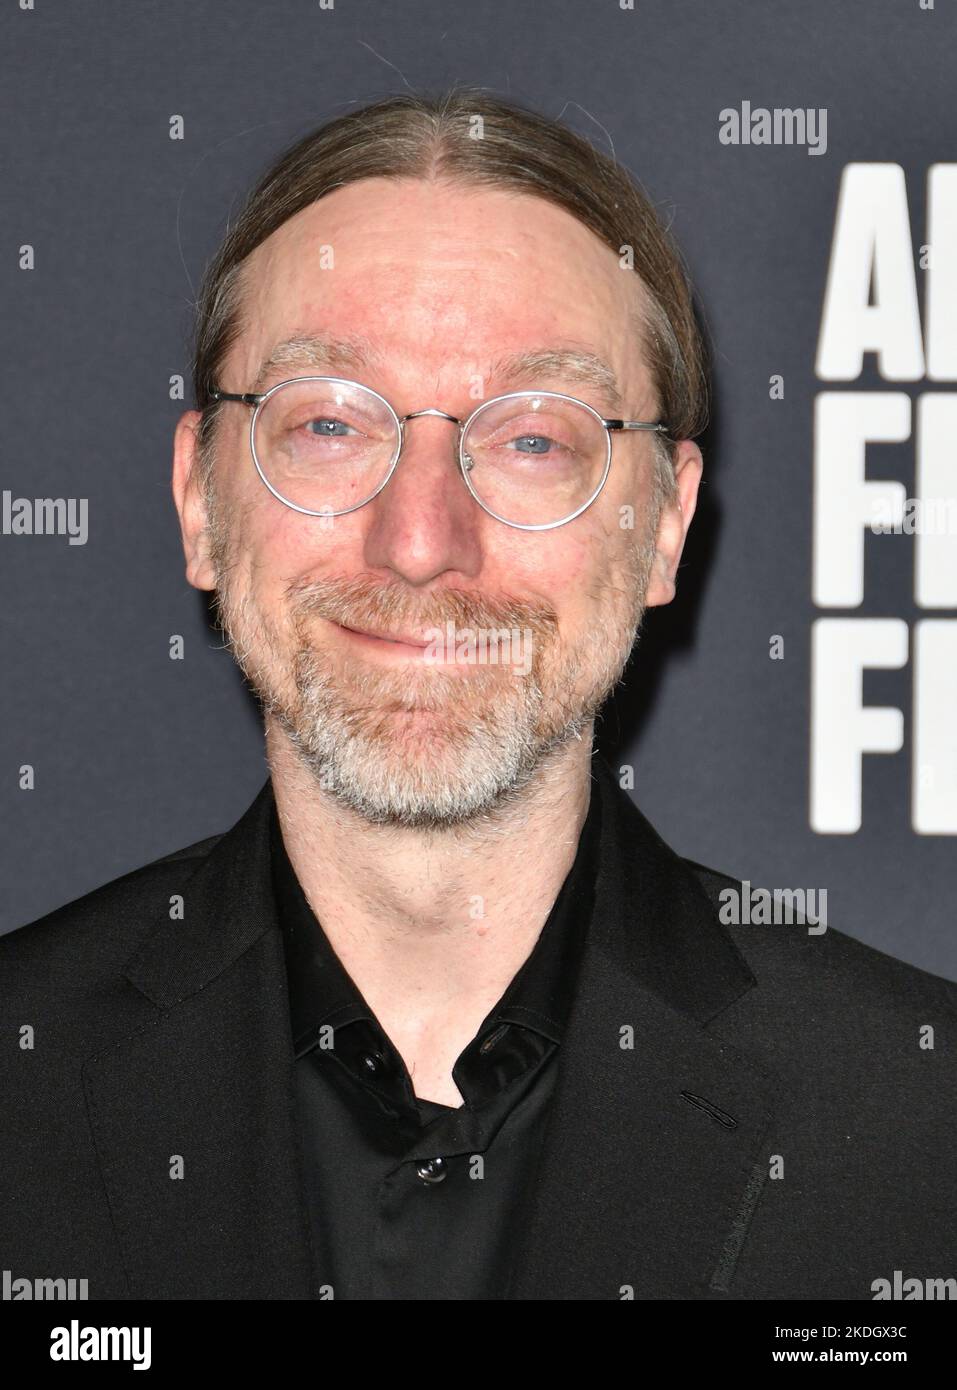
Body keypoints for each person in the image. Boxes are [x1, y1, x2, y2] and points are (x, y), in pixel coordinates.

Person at [3, 87, 955, 1303]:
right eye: (332, 424)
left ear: (663, 524)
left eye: (534, 439)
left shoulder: (923, 1137)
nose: (419, 541)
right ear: (200, 498)